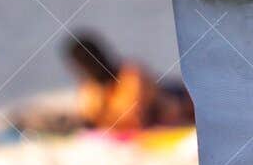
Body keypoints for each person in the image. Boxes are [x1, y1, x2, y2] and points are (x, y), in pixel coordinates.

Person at [63, 31, 194, 132]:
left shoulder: (131, 75)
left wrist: (102, 118)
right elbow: (91, 119)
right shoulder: (91, 90)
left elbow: (135, 119)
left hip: (177, 99)